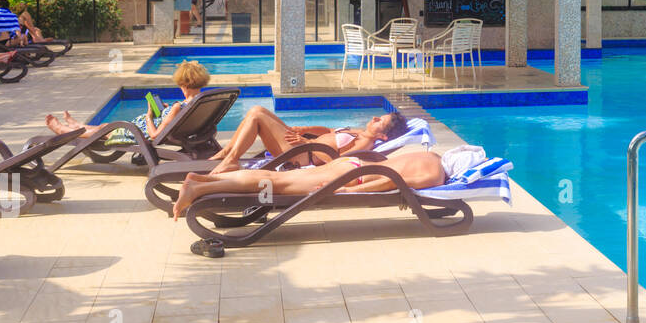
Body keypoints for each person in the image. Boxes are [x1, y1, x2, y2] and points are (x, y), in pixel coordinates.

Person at [171, 146, 449, 219]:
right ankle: (199, 188)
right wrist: (348, 189)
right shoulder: (435, 175)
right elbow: (391, 182)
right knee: (273, 183)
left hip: (350, 165)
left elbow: (391, 171)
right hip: (351, 176)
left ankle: (205, 179)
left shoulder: (430, 154)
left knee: (276, 179)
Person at [43, 59, 212, 148]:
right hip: (141, 129)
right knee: (106, 125)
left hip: (139, 133)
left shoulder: (178, 107)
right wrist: (165, 112)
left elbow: (154, 135)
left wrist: (149, 116)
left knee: (104, 130)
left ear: (184, 85)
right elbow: (174, 120)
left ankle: (64, 130)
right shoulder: (199, 102)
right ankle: (77, 125)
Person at [207, 107, 410, 174]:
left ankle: (232, 157)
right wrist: (306, 130)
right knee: (257, 110)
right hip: (302, 143)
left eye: (379, 121)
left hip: (300, 155)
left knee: (256, 117)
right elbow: (330, 130)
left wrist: (307, 144)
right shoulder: (360, 132)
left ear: (383, 136)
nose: (375, 118)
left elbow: (338, 163)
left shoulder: (365, 144)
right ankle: (227, 153)